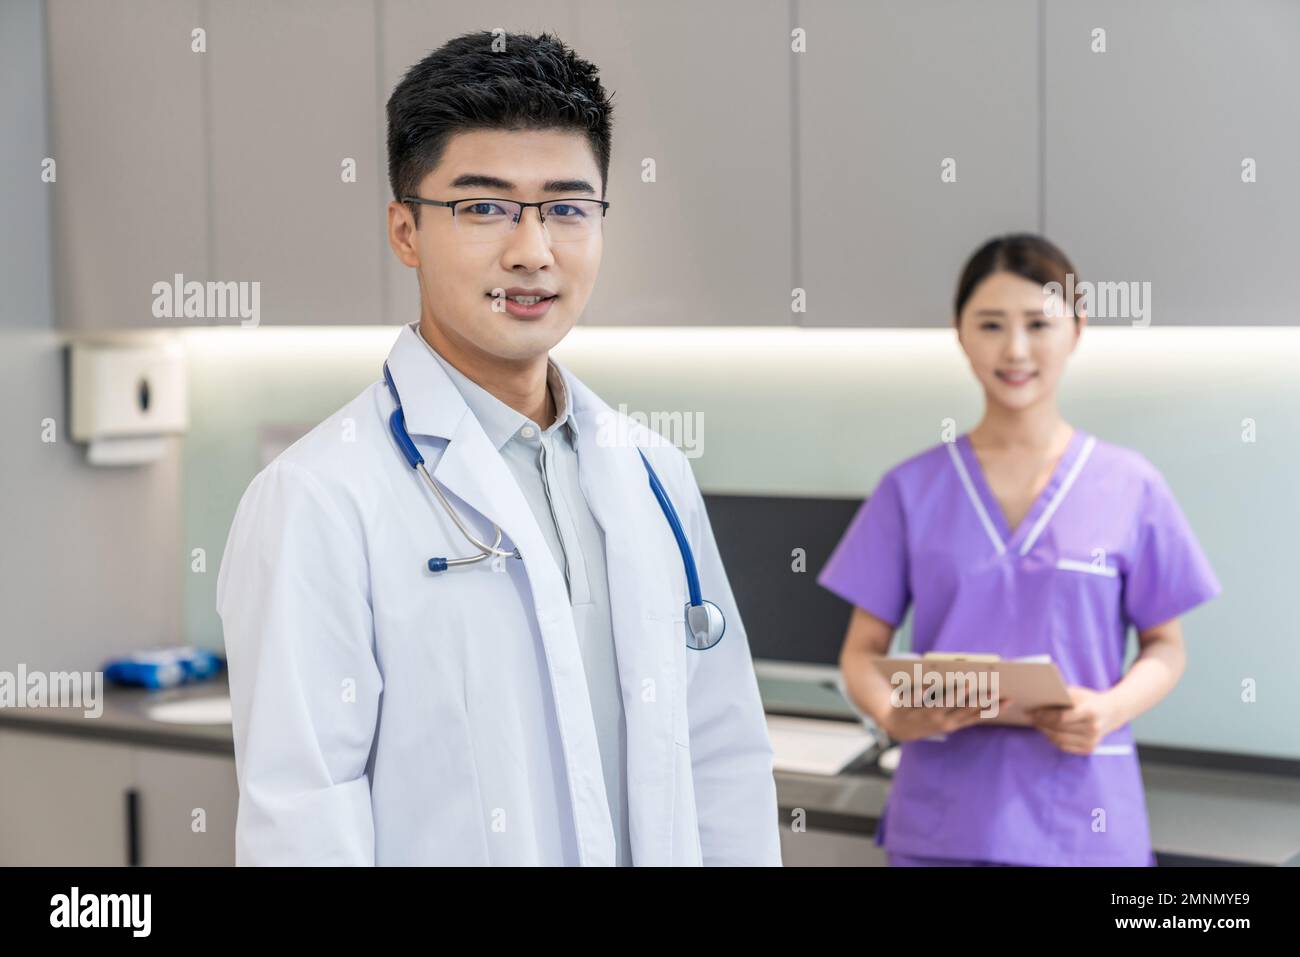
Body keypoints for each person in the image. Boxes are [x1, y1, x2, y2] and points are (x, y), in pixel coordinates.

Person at [216, 31, 780, 867]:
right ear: (405, 231)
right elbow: (305, 822)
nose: (532, 250)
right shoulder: (317, 497)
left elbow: (723, 756)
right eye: (483, 207)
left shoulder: (654, 472)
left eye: (566, 207)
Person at [818, 234, 1220, 866]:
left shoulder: (1130, 485)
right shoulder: (911, 488)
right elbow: (861, 656)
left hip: (1081, 820)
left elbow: (1166, 646)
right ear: (960, 333)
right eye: (991, 324)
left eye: (1038, 323)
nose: (1015, 349)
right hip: (943, 824)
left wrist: (1109, 709)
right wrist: (897, 717)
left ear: (1077, 329)